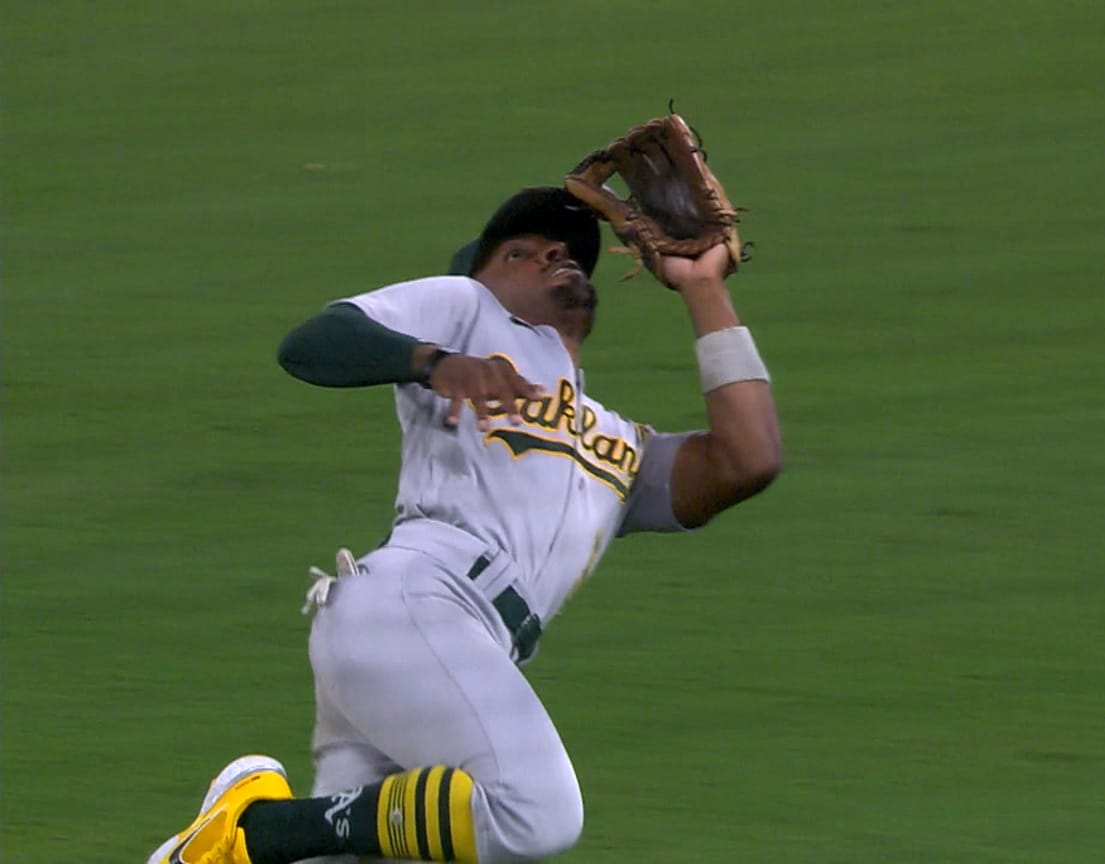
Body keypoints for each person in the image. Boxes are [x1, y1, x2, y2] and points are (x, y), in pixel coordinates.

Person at [147, 186, 781, 864]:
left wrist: (702, 286)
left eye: (565, 251)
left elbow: (749, 459)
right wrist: (434, 362)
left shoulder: (618, 443)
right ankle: (253, 832)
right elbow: (312, 343)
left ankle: (213, 851)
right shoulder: (466, 311)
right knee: (536, 813)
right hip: (415, 607)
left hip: (444, 654)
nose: (554, 255)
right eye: (521, 251)